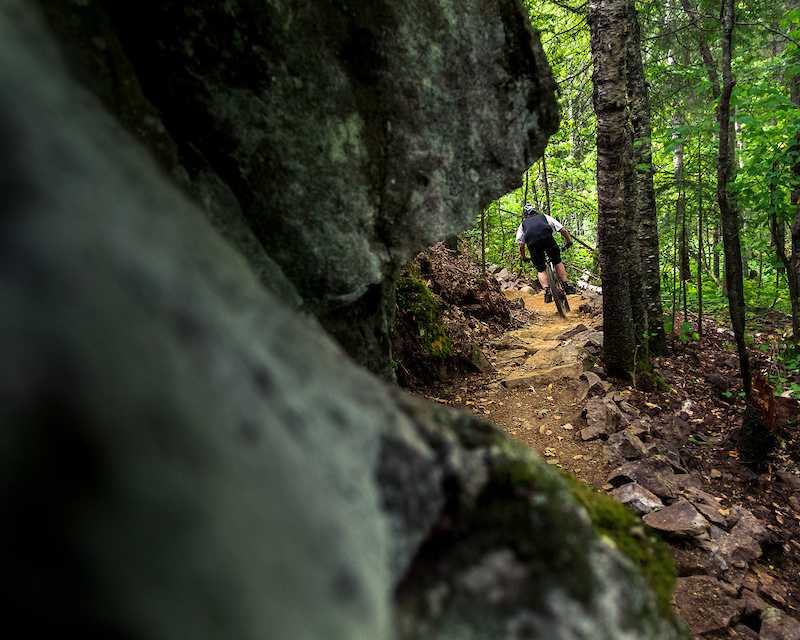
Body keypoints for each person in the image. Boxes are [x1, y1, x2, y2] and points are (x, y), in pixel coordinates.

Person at [516, 203, 576, 303]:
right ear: (537, 212)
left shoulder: (523, 224)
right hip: (547, 239)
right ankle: (566, 286)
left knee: (541, 268)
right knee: (557, 261)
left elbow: (521, 245)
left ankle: (547, 292)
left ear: (525, 215)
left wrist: (524, 257)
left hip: (533, 244)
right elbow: (563, 229)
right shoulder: (544, 217)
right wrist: (568, 241)